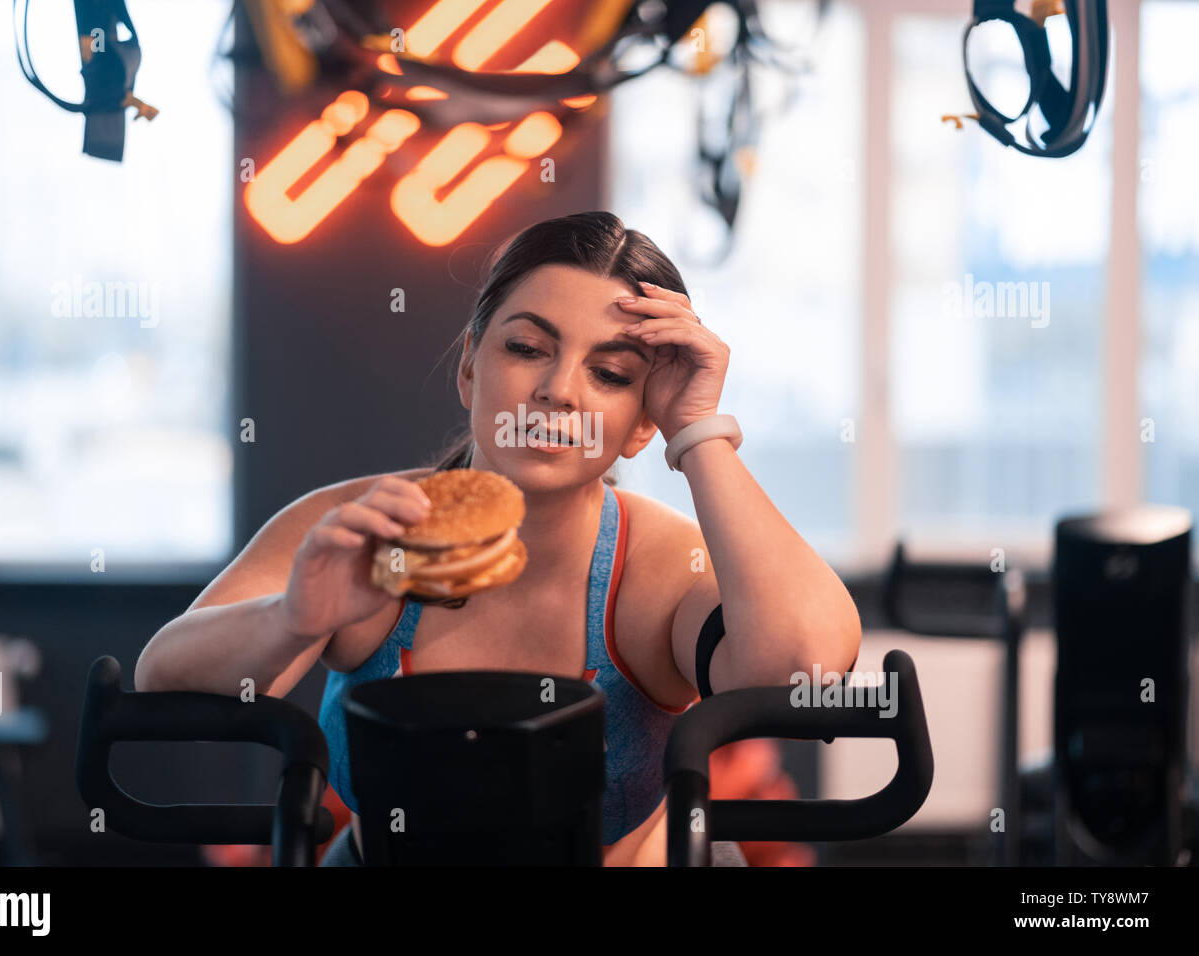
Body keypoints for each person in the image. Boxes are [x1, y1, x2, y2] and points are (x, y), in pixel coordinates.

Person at [134, 210, 861, 866]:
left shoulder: (660, 566)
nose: (559, 391)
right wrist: (293, 620)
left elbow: (802, 664)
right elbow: (162, 675)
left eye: (609, 373)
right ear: (469, 366)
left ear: (642, 423)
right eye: (526, 348)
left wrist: (699, 431)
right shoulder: (363, 527)